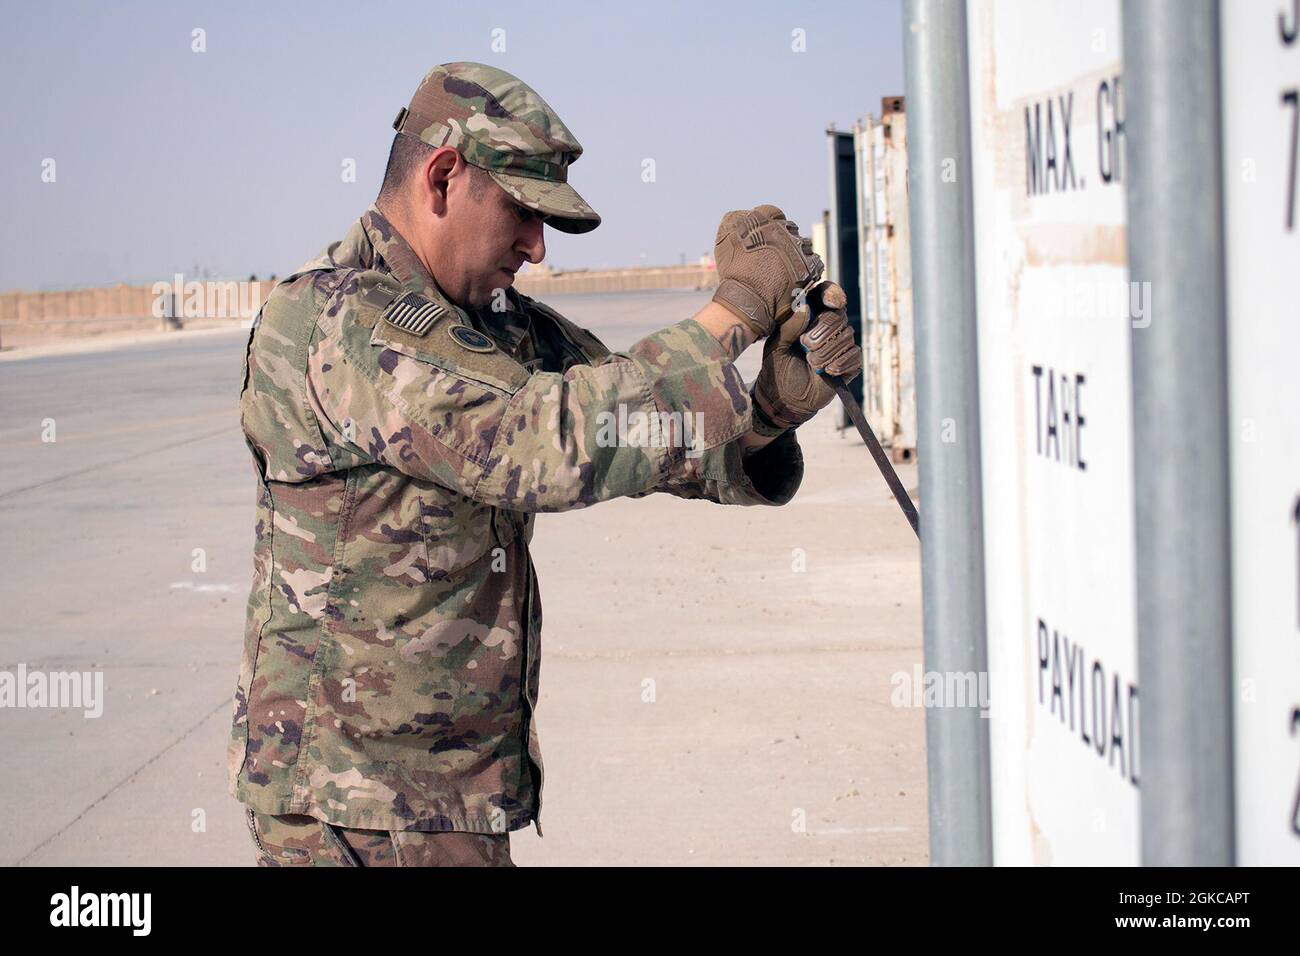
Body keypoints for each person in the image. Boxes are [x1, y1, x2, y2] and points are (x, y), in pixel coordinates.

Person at [227, 61, 861, 867]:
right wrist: (731, 314)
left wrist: (770, 408)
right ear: (443, 176)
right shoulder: (336, 320)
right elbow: (542, 442)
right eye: (523, 212)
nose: (535, 246)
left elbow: (634, 425)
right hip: (355, 809)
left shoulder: (493, 328)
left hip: (446, 802)